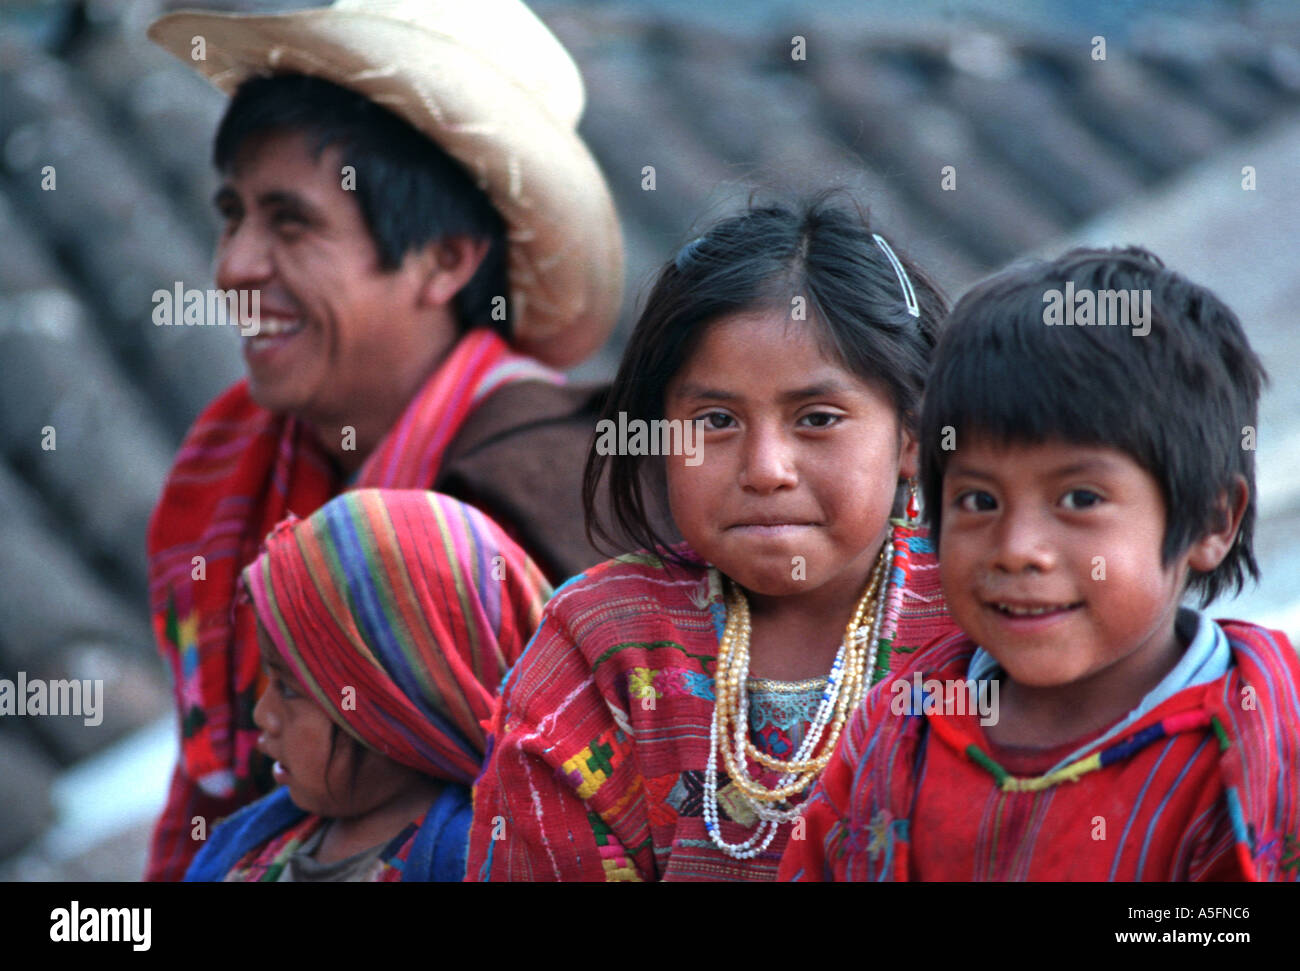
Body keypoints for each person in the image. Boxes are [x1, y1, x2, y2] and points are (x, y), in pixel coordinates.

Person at [142, 0, 623, 880]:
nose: (234, 267)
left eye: (290, 223)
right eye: (232, 214)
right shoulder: (234, 464)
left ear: (446, 258)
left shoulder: (554, 492)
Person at [467, 196, 957, 881]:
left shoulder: (970, 623)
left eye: (816, 418)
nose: (765, 469)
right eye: (717, 420)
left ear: (909, 436)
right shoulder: (604, 640)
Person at [781, 246, 1300, 882]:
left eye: (1080, 499)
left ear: (1212, 520)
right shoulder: (901, 726)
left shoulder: (1261, 754)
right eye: (979, 500)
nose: (1017, 547)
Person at [185, 488, 550, 882]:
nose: (263, 715)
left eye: (290, 688)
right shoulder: (249, 842)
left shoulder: (486, 863)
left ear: (406, 706)